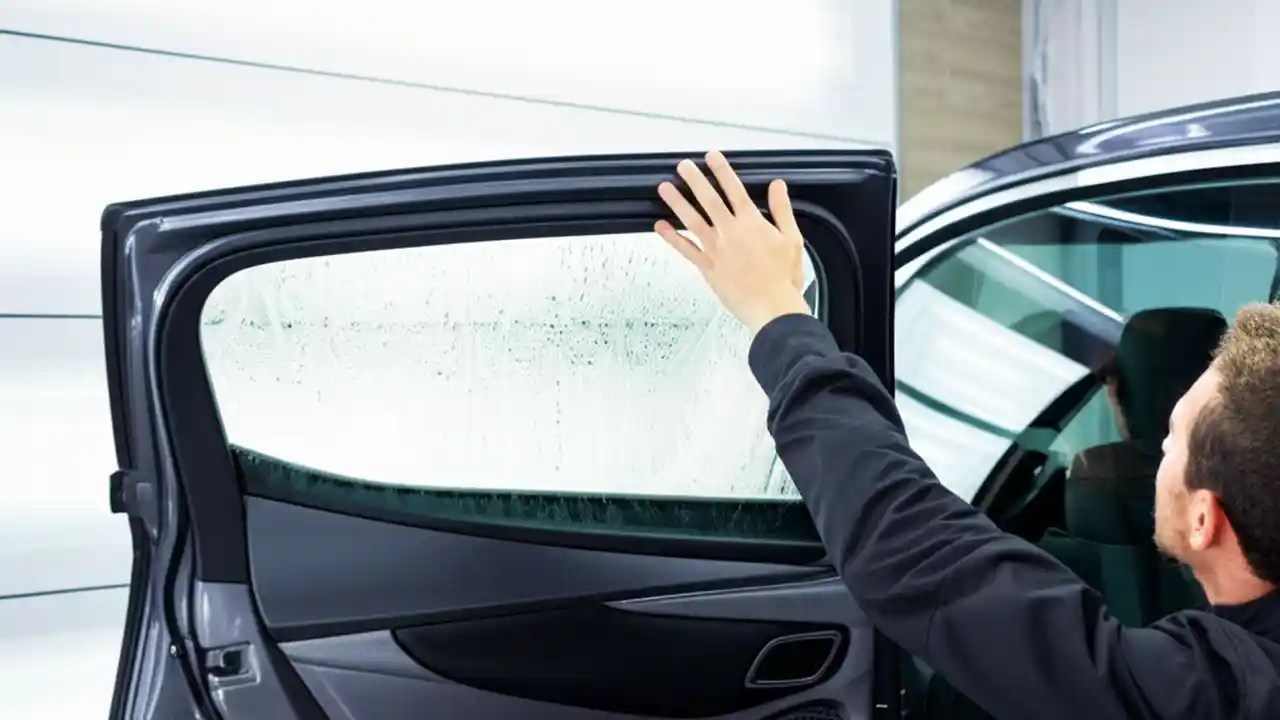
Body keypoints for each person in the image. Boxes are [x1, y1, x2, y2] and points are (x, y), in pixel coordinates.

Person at [653, 151, 1280, 719]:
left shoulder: (1214, 697)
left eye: (1170, 438)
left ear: (1205, 520)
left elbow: (920, 551)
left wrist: (777, 315)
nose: (1152, 455)